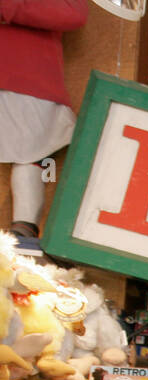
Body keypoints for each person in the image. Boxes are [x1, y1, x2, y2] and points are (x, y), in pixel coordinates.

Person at [0, 1, 87, 241]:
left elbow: (73, 14)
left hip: (26, 76)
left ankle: (24, 229)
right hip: (25, 78)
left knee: (34, 151)